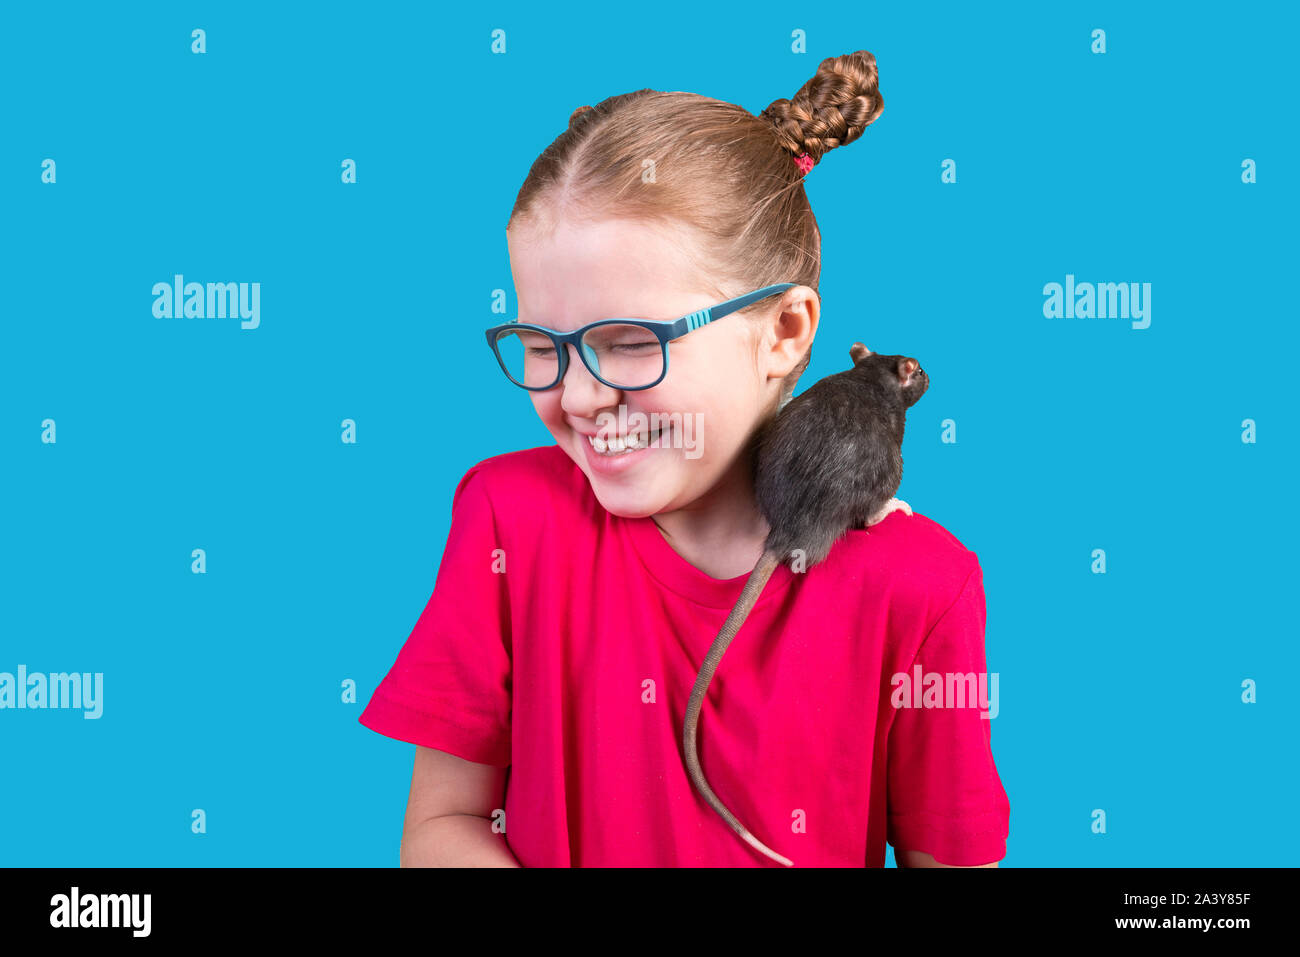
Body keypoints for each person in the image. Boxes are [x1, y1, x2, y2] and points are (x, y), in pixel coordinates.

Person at [359, 50, 1009, 867]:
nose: (583, 396)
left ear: (784, 332)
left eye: (630, 343)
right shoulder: (508, 518)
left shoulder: (918, 584)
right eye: (543, 346)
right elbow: (439, 827)